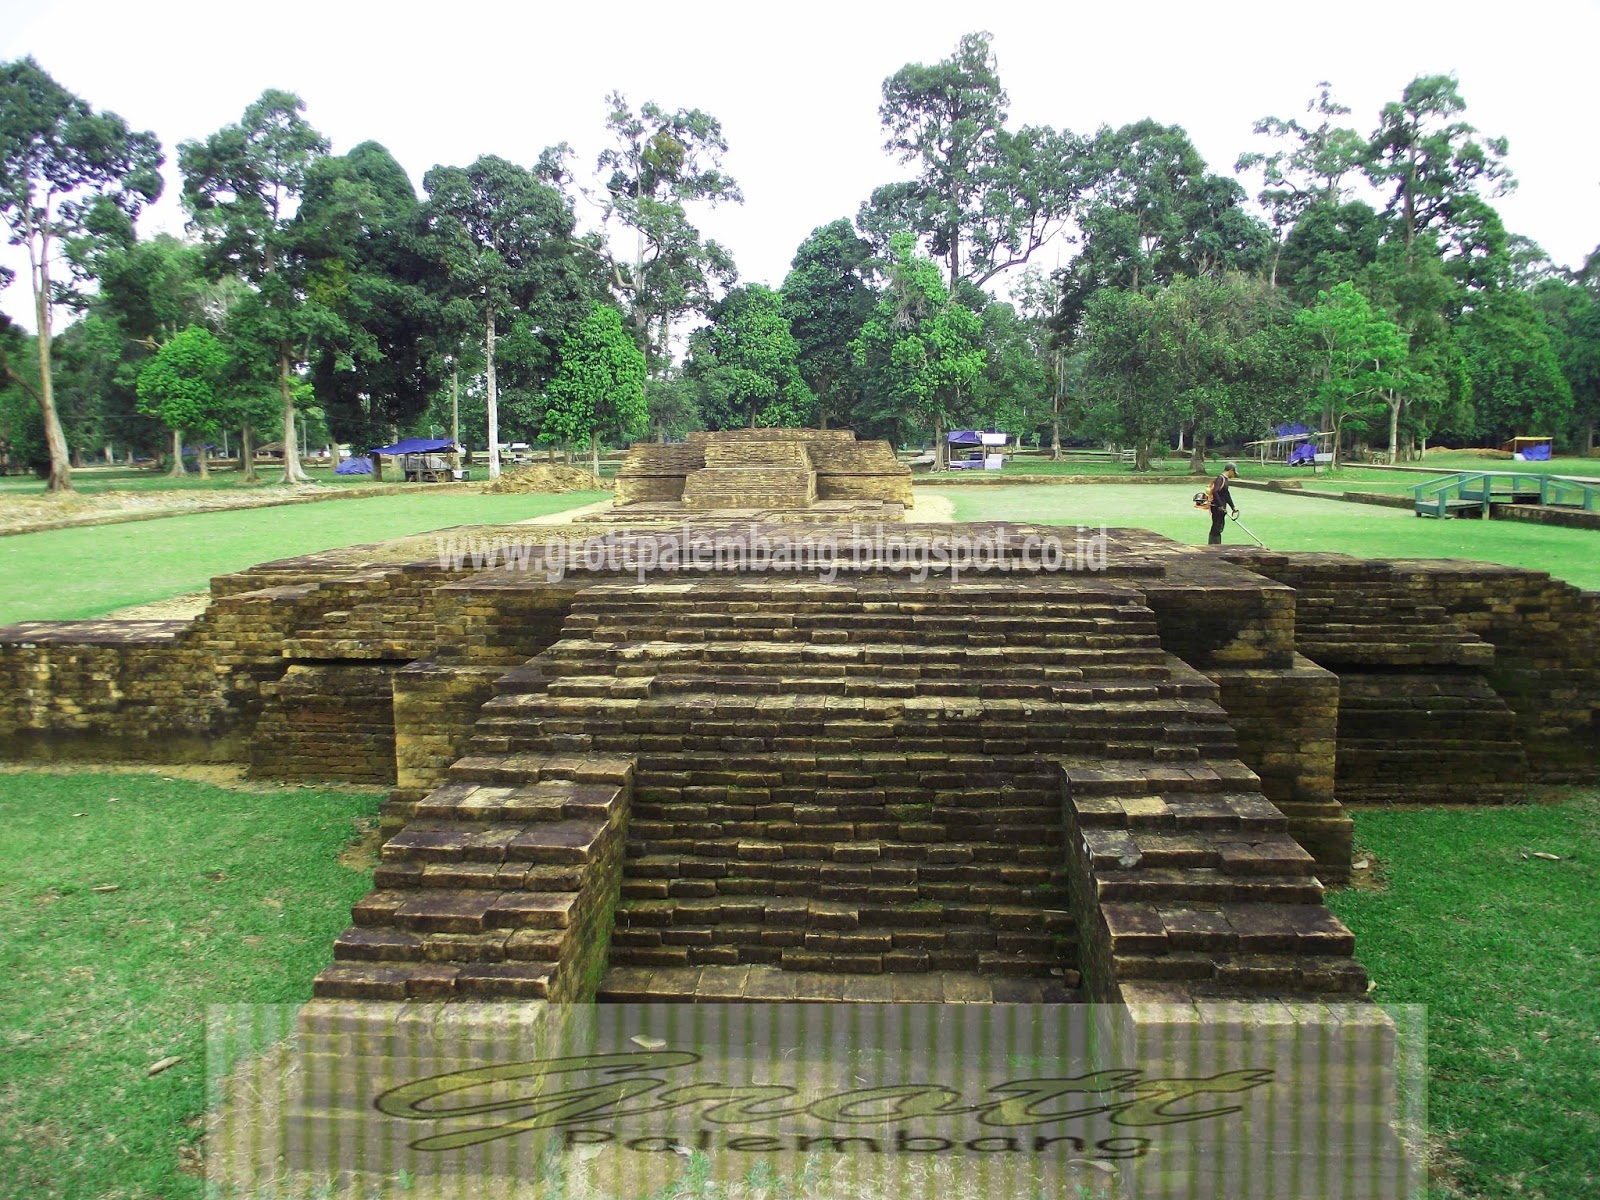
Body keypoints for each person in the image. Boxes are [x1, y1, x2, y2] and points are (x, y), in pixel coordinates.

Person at [1207, 462, 1239, 545]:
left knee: (1219, 526)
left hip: (1221, 507)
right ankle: (1213, 545)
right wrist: (1220, 505)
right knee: (1216, 527)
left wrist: (1232, 506)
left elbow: (1226, 494)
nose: (1233, 475)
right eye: (1234, 473)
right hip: (1217, 507)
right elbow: (1215, 492)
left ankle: (1216, 544)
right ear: (1231, 470)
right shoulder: (1220, 479)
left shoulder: (1225, 480)